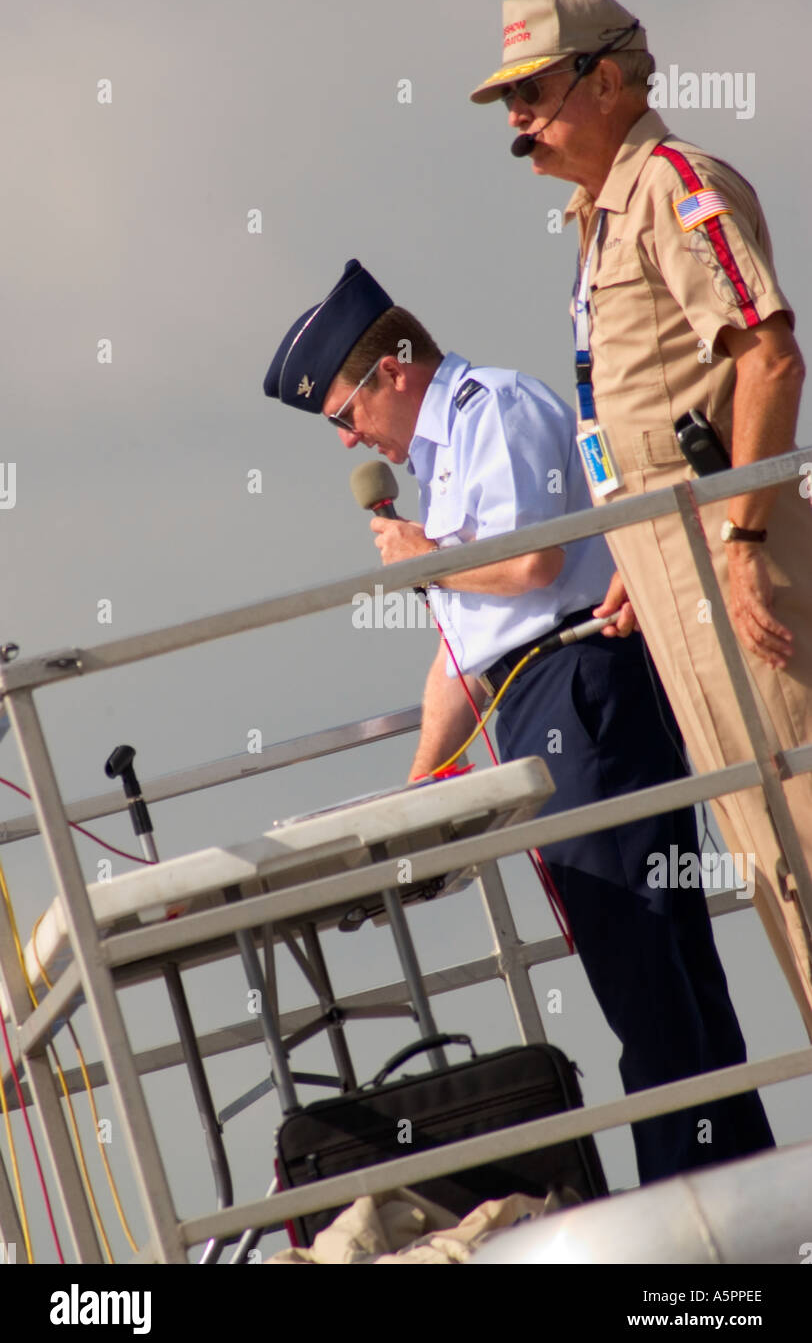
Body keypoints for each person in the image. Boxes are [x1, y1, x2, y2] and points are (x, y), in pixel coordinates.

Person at [263, 257, 775, 1185]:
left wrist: (426, 558)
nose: (346, 441)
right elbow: (468, 653)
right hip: (540, 698)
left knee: (648, 971)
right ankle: (747, 1208)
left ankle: (694, 1225)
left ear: (395, 368)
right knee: (658, 974)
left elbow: (533, 571)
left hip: (582, 689)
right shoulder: (444, 459)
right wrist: (420, 786)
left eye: (343, 414)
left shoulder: (493, 411)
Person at [468, 0, 812, 1036]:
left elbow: (766, 359)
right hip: (676, 573)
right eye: (508, 103)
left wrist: (741, 537)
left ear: (605, 78)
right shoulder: (601, 215)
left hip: (734, 565)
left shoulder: (669, 186)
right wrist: (638, 552)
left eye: (532, 93)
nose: (519, 121)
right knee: (771, 856)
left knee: (799, 825)